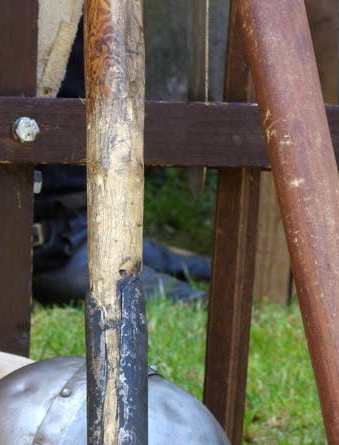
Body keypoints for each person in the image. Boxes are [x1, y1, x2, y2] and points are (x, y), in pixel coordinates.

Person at [32, 25, 211, 305]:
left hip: (77, 218)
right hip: (55, 248)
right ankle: (50, 242)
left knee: (76, 23)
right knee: (31, 30)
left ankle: (82, 227)